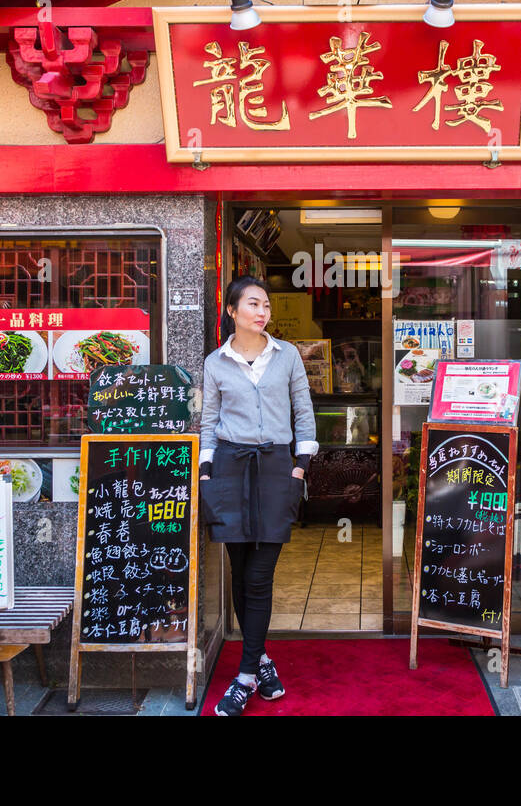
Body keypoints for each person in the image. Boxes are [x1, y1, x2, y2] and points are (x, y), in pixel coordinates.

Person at [199, 275, 318, 716]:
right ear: (232, 311)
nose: (262, 311)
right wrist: (207, 473)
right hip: (228, 468)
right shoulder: (216, 363)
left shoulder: (287, 356)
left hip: (275, 468)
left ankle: (244, 676)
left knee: (259, 574)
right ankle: (261, 660)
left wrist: (299, 467)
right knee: (239, 566)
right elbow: (209, 419)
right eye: (253, 304)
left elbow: (304, 413)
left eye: (266, 305)